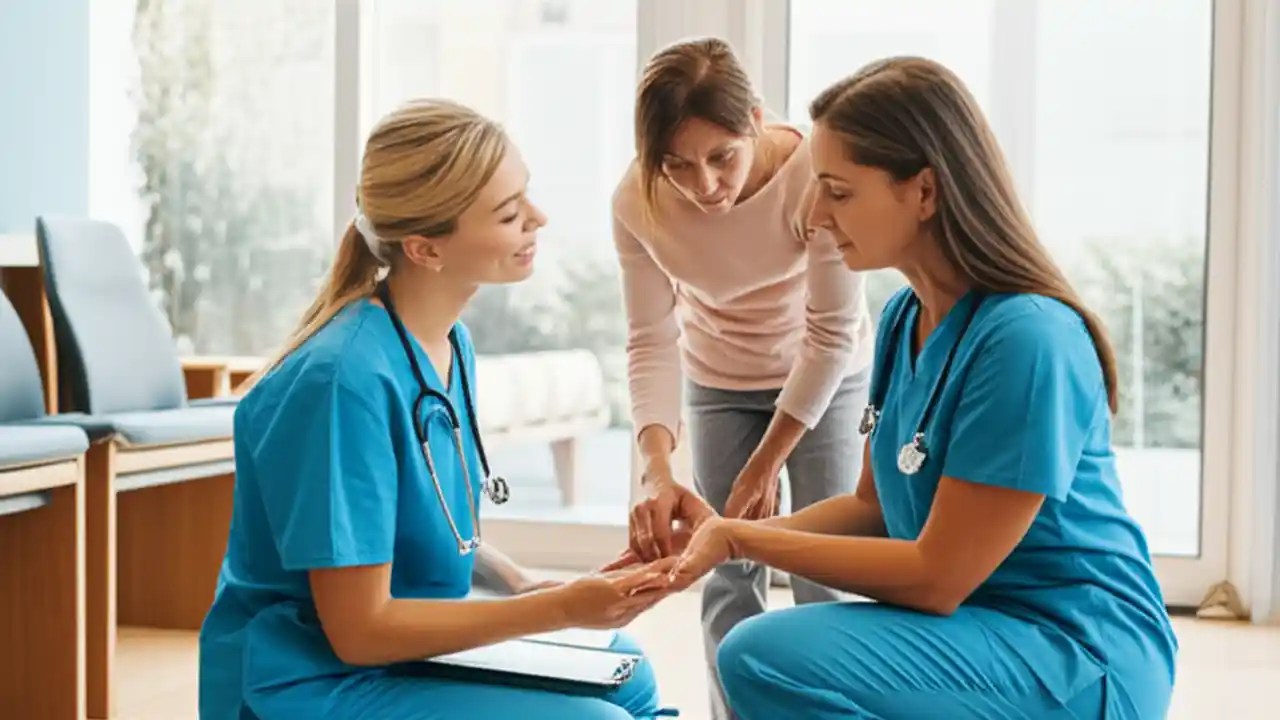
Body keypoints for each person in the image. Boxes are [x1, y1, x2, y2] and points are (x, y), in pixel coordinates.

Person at [664, 57, 1179, 719]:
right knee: (760, 653)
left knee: (763, 653)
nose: (813, 214)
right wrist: (722, 529)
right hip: (977, 631)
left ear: (926, 192)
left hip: (1075, 653)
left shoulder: (1027, 339)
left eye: (838, 191)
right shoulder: (907, 316)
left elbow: (937, 578)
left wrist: (741, 542)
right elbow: (871, 511)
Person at [198, 99, 678, 720]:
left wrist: (519, 580)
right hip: (305, 677)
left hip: (392, 649)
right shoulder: (342, 383)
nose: (539, 218)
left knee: (628, 676)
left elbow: (412, 521)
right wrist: (559, 610)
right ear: (426, 248)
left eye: (526, 197)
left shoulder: (447, 342)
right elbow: (359, 630)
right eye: (510, 214)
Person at [611, 37, 874, 719]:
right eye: (678, 165)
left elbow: (831, 334)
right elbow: (651, 339)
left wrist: (765, 466)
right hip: (719, 378)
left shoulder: (815, 171)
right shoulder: (634, 205)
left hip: (827, 376)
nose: (704, 186)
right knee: (726, 572)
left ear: (756, 119)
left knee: (825, 569)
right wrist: (659, 470)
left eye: (722, 157)